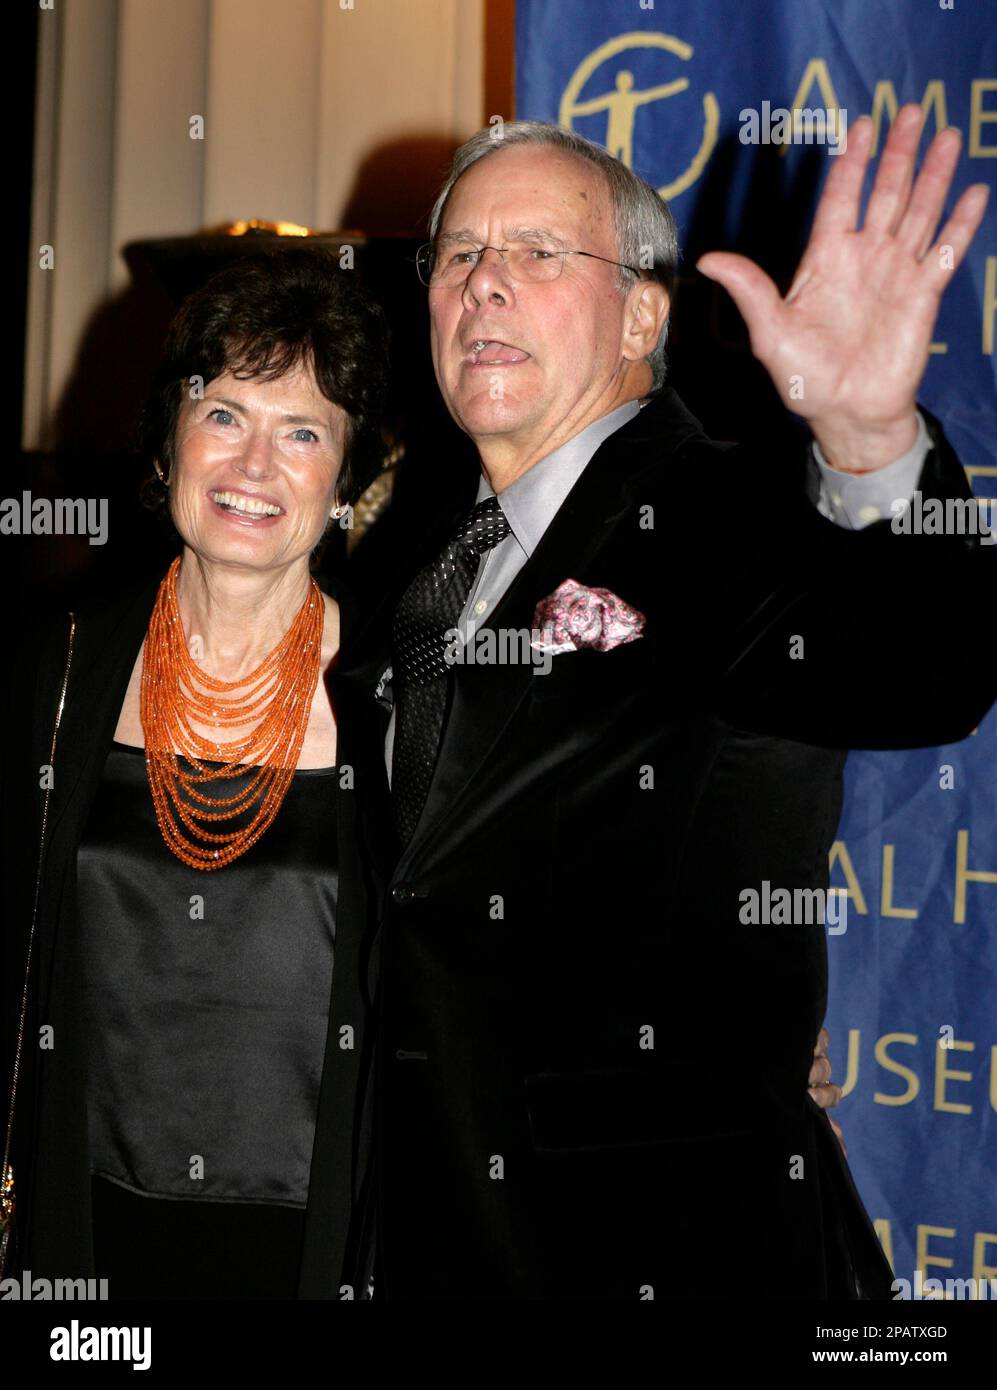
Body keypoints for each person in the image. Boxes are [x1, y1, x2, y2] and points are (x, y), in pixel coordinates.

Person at [339, 109, 996, 1299]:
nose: (485, 284)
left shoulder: (728, 517)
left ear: (642, 314)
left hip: (677, 1247)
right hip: (432, 1242)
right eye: (458, 257)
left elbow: (925, 666)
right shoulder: (415, 566)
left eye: (540, 253)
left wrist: (867, 441)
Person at [1, 249, 387, 1298]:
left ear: (347, 478)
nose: (254, 465)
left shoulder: (401, 699)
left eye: (302, 431)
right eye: (223, 414)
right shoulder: (64, 671)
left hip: (317, 1246)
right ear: (168, 445)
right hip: (83, 1239)